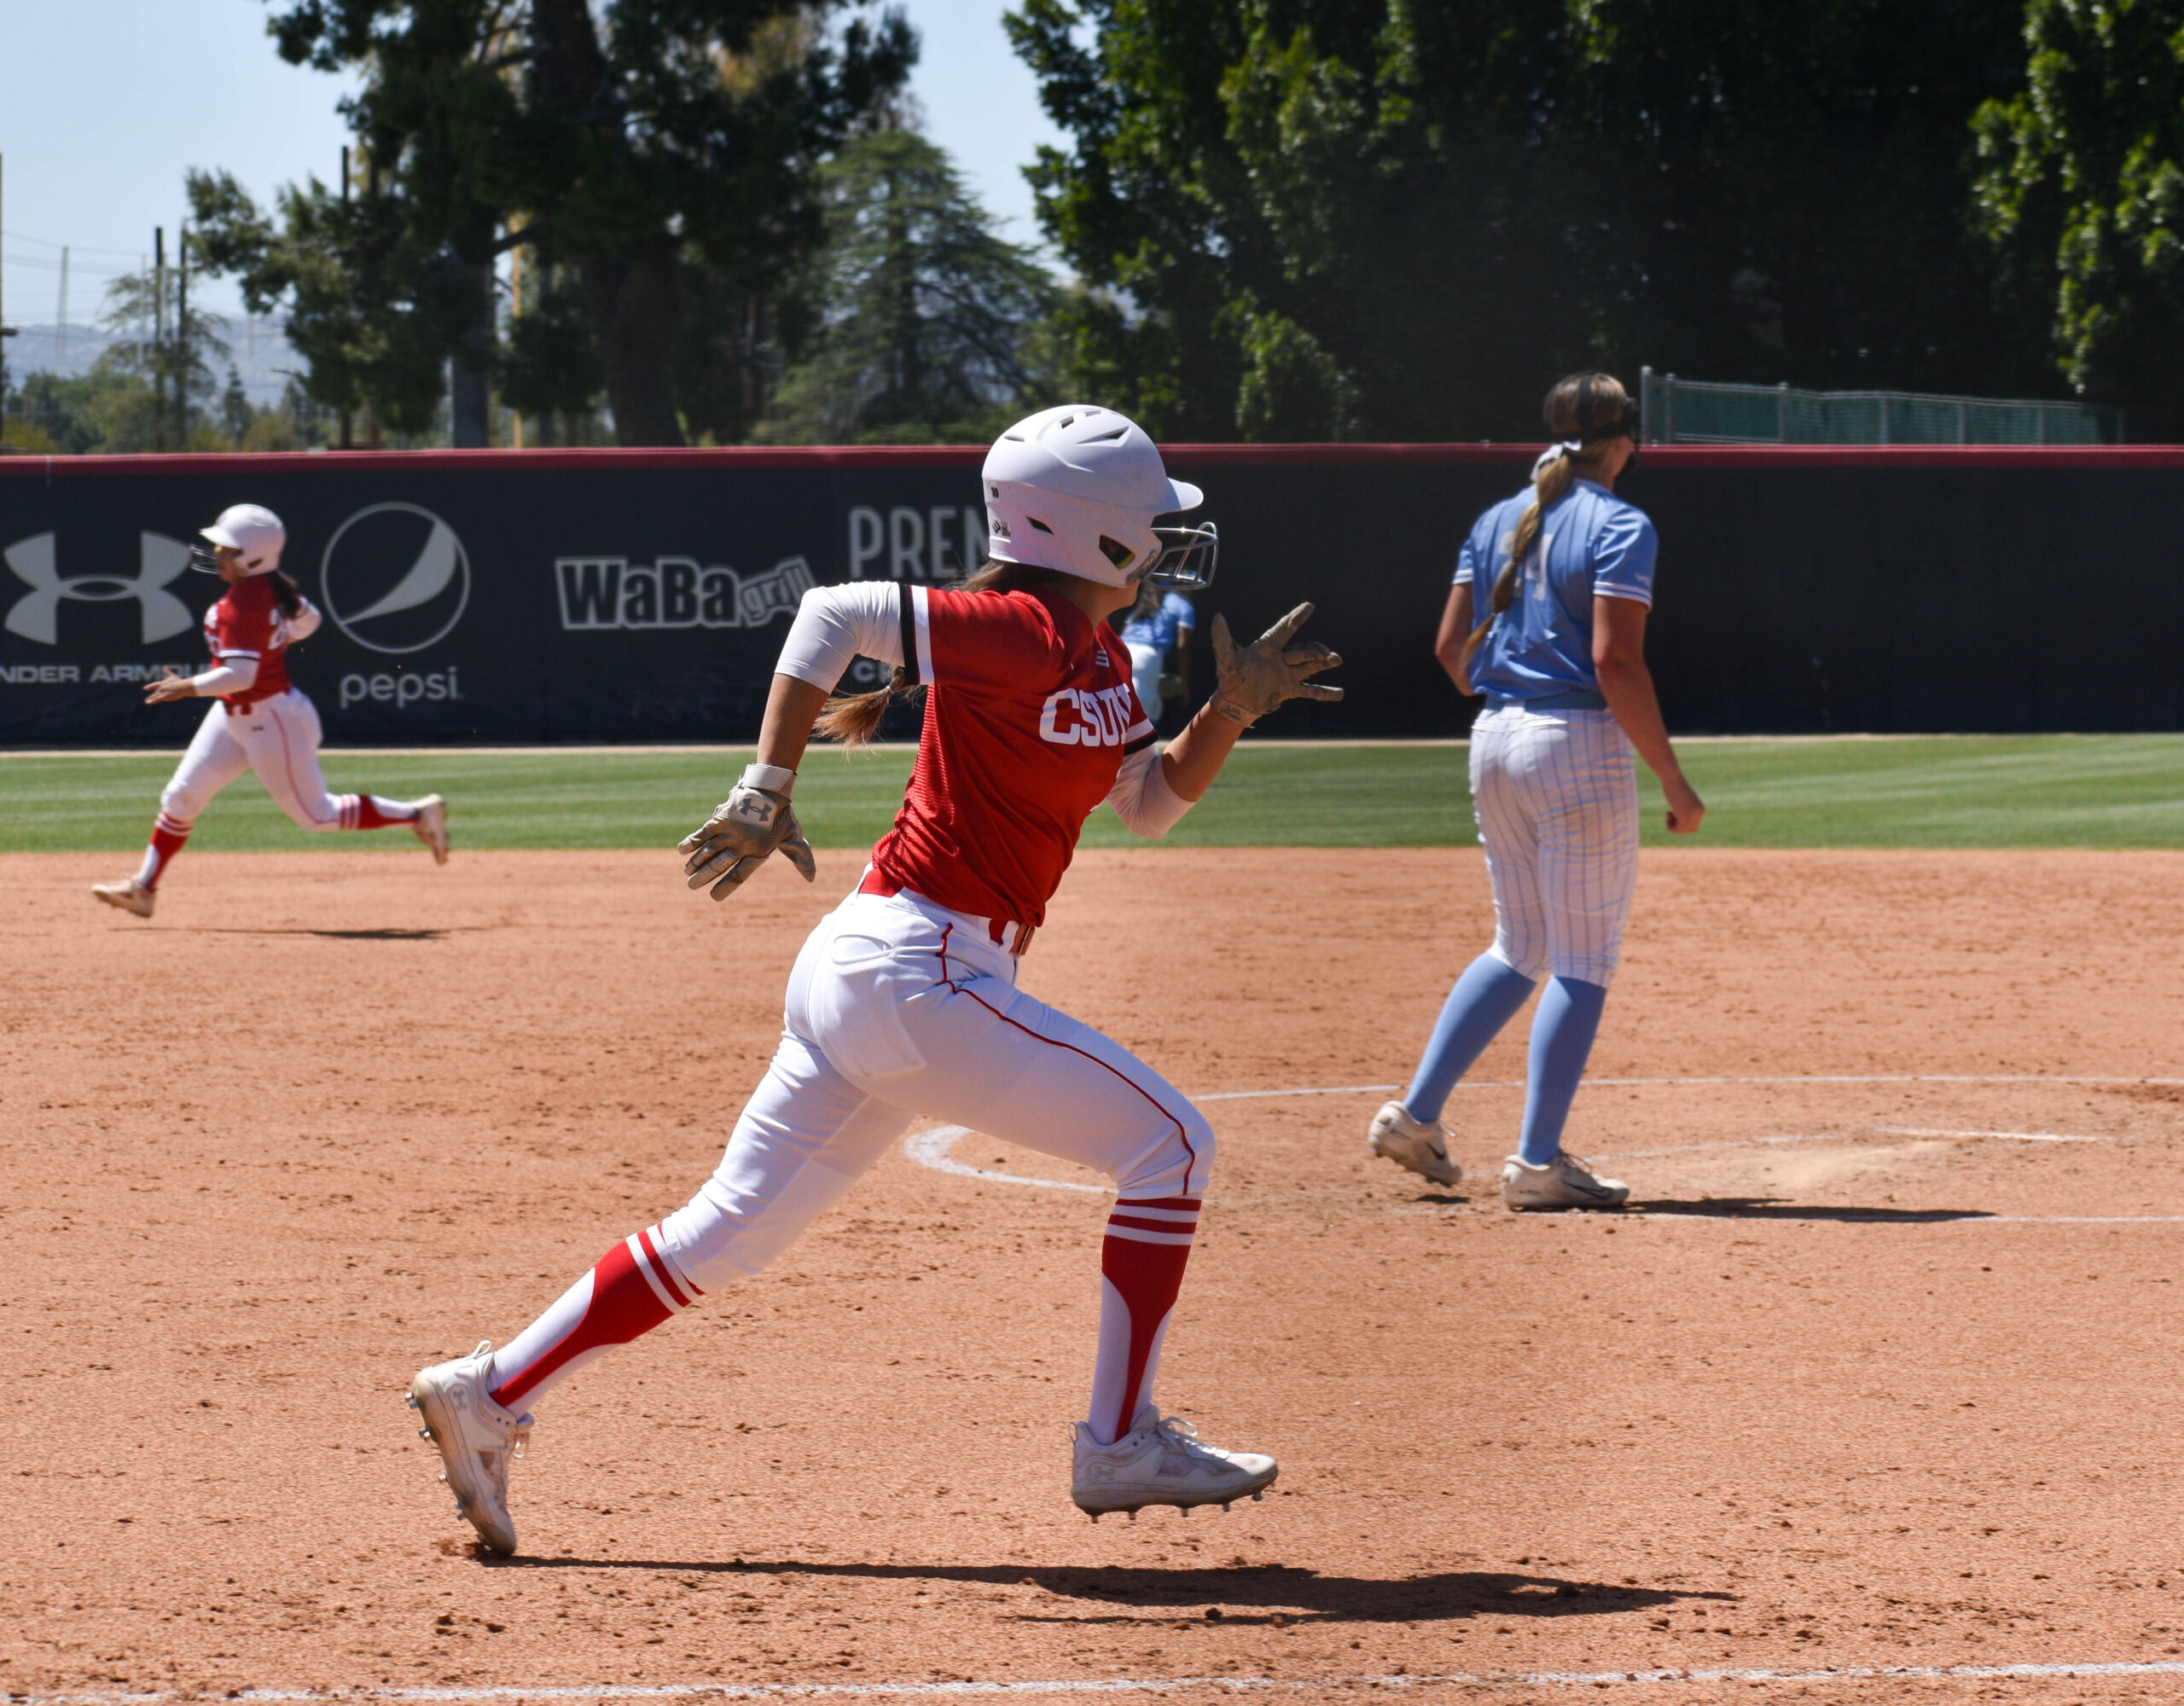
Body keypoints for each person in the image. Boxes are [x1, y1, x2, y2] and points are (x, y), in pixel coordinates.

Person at [407, 404, 1341, 1555]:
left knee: (723, 1237)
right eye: (1151, 521)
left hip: (887, 970)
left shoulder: (1100, 655)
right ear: (1093, 534)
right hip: (922, 970)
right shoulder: (1018, 626)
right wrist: (765, 786)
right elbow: (831, 613)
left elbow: (1145, 807)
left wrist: (1229, 712)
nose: (1168, 538)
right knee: (1175, 1147)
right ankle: (1118, 1439)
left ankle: (488, 1392)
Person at [1366, 373, 1704, 1210]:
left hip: (1494, 736)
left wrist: (1510, 694)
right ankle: (1536, 1160)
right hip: (1573, 741)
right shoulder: (1621, 523)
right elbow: (1614, 661)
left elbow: (1451, 648)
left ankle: (1415, 1114)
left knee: (1519, 946)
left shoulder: (1493, 521)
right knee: (1581, 959)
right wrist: (1672, 776)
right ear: (1624, 440)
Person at [90, 504, 448, 920]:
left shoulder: (242, 603)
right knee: (182, 796)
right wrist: (277, 636)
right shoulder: (272, 587)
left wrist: (186, 687)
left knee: (318, 816)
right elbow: (309, 621)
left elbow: (241, 675)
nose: (220, 555)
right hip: (237, 714)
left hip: (271, 720)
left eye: (229, 549)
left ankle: (418, 815)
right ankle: (144, 889)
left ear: (253, 557)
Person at [1119, 577, 1196, 732]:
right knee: (1137, 721)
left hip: (1123, 651)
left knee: (1154, 708)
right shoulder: (1183, 604)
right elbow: (1183, 646)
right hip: (1148, 657)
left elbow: (1125, 631)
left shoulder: (1148, 602)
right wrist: (1184, 682)